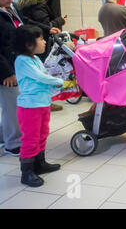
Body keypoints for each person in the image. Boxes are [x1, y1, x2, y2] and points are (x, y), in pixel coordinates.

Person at [14, 25, 65, 187]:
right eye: (41, 39)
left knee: (43, 133)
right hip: (29, 108)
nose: (44, 42)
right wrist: (58, 82)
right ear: (29, 44)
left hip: (42, 104)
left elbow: (43, 77)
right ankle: (27, 172)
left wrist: (54, 88)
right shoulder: (22, 60)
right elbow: (40, 77)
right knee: (31, 138)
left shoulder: (35, 59)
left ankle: (39, 164)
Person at [18, 0, 67, 112]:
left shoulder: (27, 4)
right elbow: (47, 26)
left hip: (31, 42)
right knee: (42, 69)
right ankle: (45, 102)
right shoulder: (38, 5)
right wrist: (60, 20)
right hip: (37, 42)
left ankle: (44, 101)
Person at [0, 0, 24, 156]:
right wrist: (7, 72)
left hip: (14, 64)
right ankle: (13, 143)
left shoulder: (9, 10)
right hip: (5, 70)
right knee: (12, 105)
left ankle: (5, 136)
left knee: (12, 105)